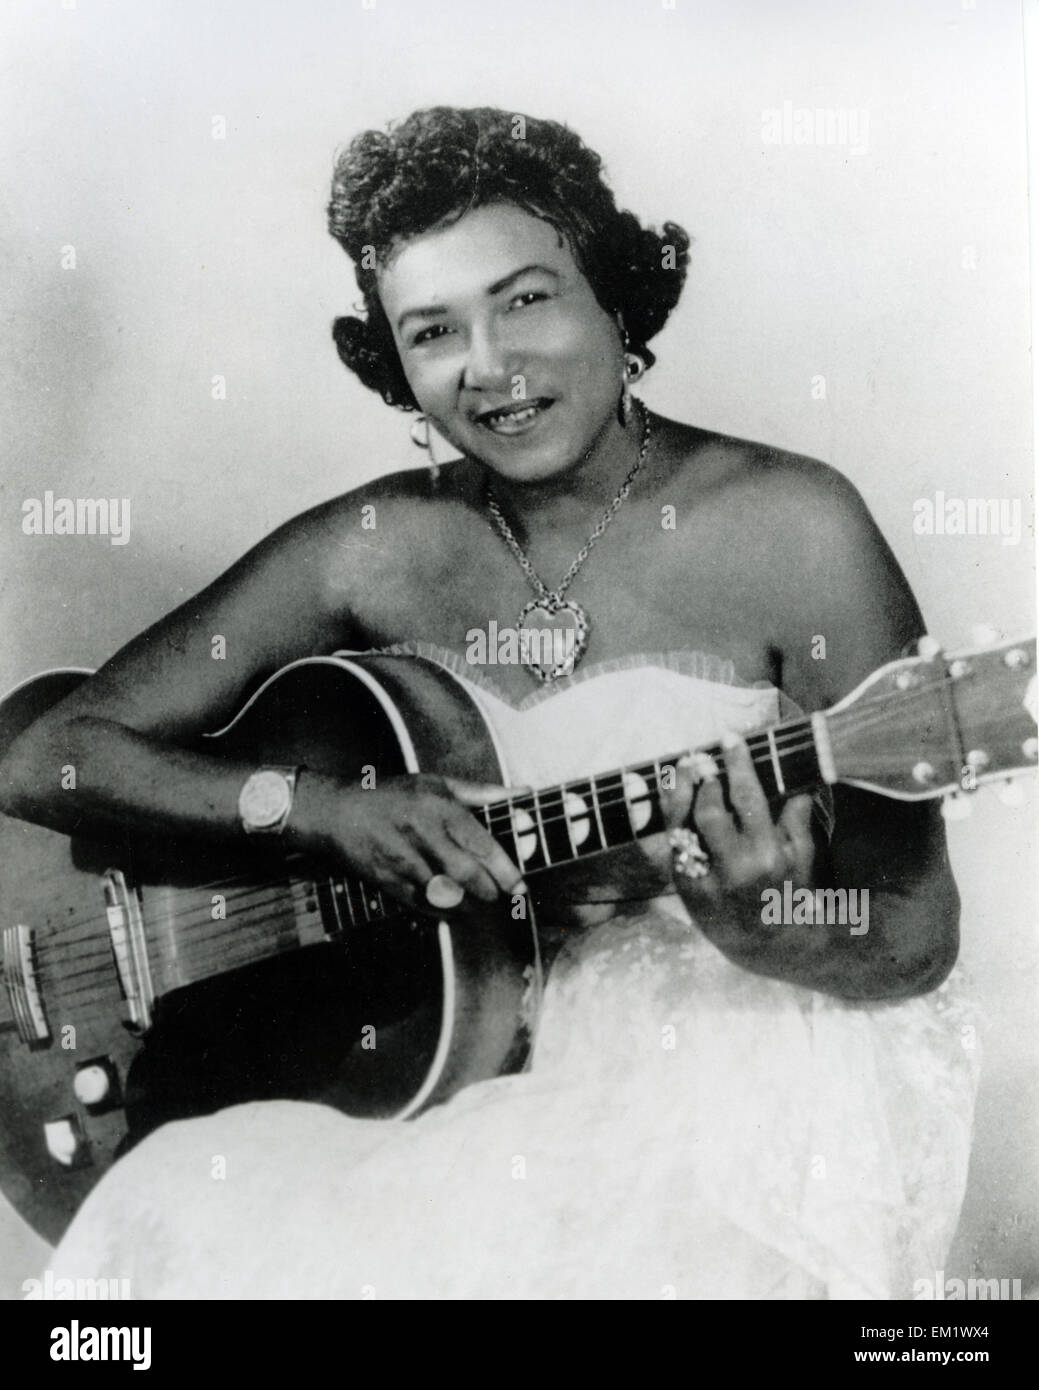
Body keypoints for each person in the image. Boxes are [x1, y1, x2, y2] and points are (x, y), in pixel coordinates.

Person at [0, 107, 977, 1299]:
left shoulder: (796, 524)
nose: (489, 366)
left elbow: (916, 933)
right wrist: (305, 807)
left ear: (615, 298)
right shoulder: (370, 543)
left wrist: (764, 921)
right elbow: (48, 753)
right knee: (180, 1209)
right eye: (432, 331)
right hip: (432, 1066)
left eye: (526, 300)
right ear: (394, 365)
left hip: (710, 1074)